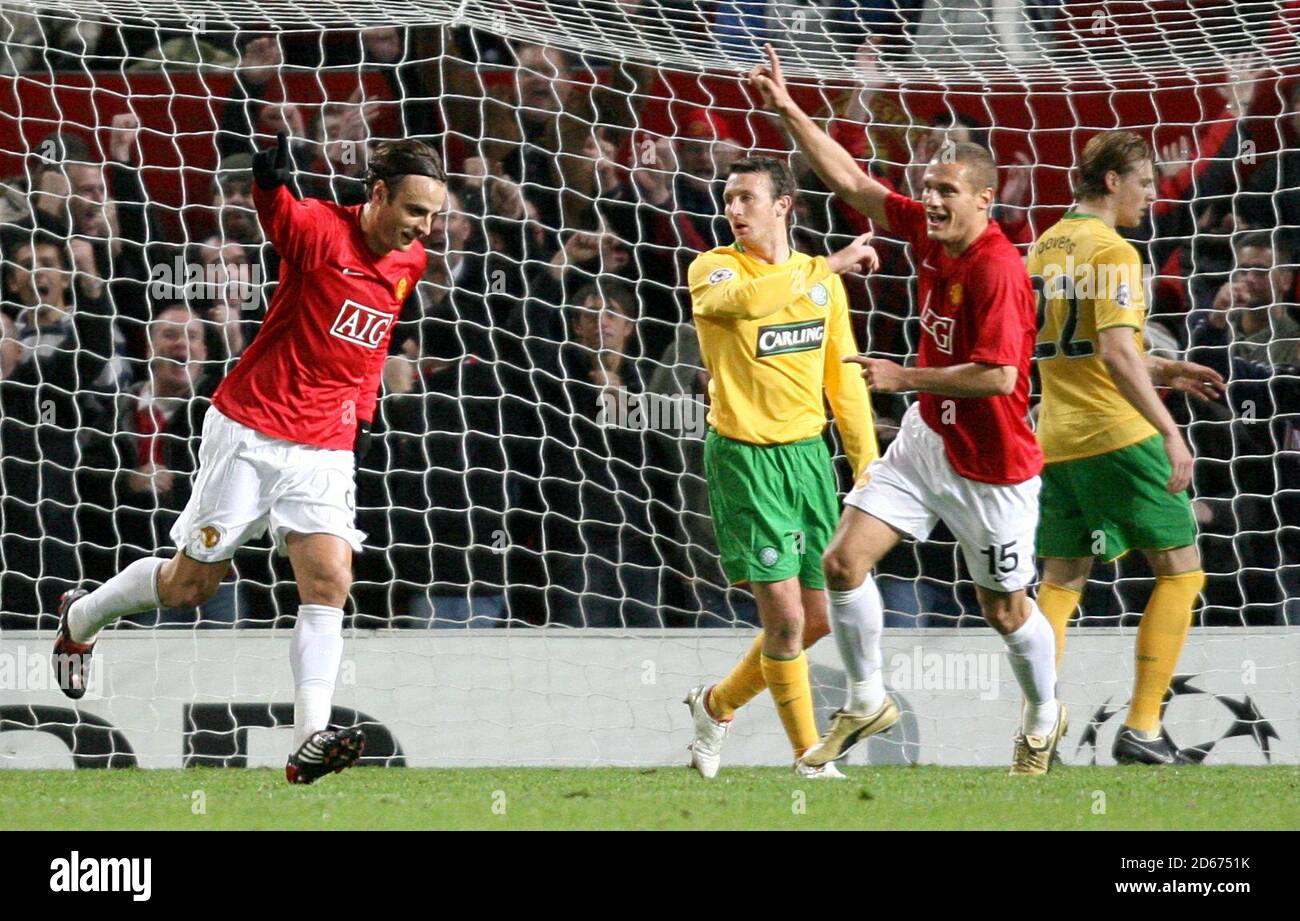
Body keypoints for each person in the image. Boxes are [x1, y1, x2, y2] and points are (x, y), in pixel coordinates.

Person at [50, 134, 446, 785]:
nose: (422, 227)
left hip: (324, 446)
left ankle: (308, 740)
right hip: (250, 431)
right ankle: (82, 615)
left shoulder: (411, 261)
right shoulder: (321, 232)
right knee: (190, 586)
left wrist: (362, 410)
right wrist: (266, 182)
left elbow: (366, 346)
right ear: (377, 195)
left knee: (329, 582)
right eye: (413, 211)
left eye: (430, 215)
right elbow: (280, 213)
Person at [748, 44, 1065, 775]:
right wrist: (791, 109)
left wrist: (902, 375)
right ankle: (867, 698)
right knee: (841, 560)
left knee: (1007, 611)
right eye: (928, 186)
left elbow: (998, 377)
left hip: (994, 468)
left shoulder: (998, 268)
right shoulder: (930, 231)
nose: (932, 198)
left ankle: (1044, 712)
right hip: (929, 440)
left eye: (948, 189)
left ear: (984, 199)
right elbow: (855, 182)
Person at [1028, 131, 1227, 764]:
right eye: (1144, 182)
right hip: (1115, 433)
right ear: (1111, 181)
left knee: (1059, 582)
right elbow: (1113, 352)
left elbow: (1089, 347)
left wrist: (1168, 370)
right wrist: (1169, 430)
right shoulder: (1113, 252)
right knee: (1182, 569)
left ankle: (1039, 729)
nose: (1150, 195)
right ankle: (1142, 727)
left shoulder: (1041, 247)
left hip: (1054, 436)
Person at [682, 155, 881, 779]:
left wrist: (866, 462)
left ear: (782, 206)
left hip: (809, 460)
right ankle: (809, 757)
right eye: (728, 199)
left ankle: (715, 705)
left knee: (820, 617)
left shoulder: (822, 285)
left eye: (746, 198)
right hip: (744, 458)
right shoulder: (713, 269)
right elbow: (750, 302)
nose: (733, 209)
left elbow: (843, 379)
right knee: (788, 618)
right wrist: (830, 265)